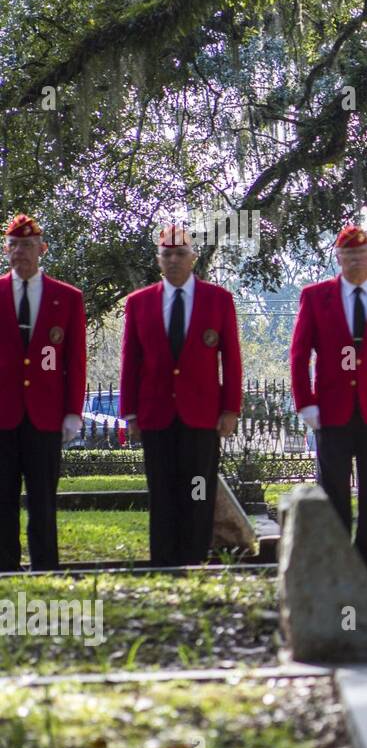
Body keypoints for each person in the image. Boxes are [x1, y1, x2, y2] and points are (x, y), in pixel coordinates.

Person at [290, 224, 367, 592]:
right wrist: (306, 402)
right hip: (331, 411)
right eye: (349, 254)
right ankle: (336, 568)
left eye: (362, 253)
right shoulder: (316, 297)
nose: (356, 259)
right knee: (333, 493)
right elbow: (299, 356)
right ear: (338, 257)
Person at [120, 224, 241, 565]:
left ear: (194, 259)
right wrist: (130, 413)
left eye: (181, 254)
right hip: (156, 416)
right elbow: (131, 362)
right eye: (167, 254)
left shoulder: (219, 301)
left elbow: (231, 360)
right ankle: (163, 560)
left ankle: (193, 557)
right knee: (162, 490)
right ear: (159, 260)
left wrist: (230, 409)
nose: (174, 260)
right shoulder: (139, 304)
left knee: (198, 489)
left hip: (202, 416)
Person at [0, 214, 87, 570]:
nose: (20, 252)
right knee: (2, 499)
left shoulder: (66, 298)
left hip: (45, 416)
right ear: (6, 249)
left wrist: (72, 411)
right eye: (14, 245)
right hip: (2, 415)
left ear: (42, 249)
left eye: (28, 245)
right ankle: (4, 568)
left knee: (43, 499)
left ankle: (45, 567)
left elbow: (75, 360)